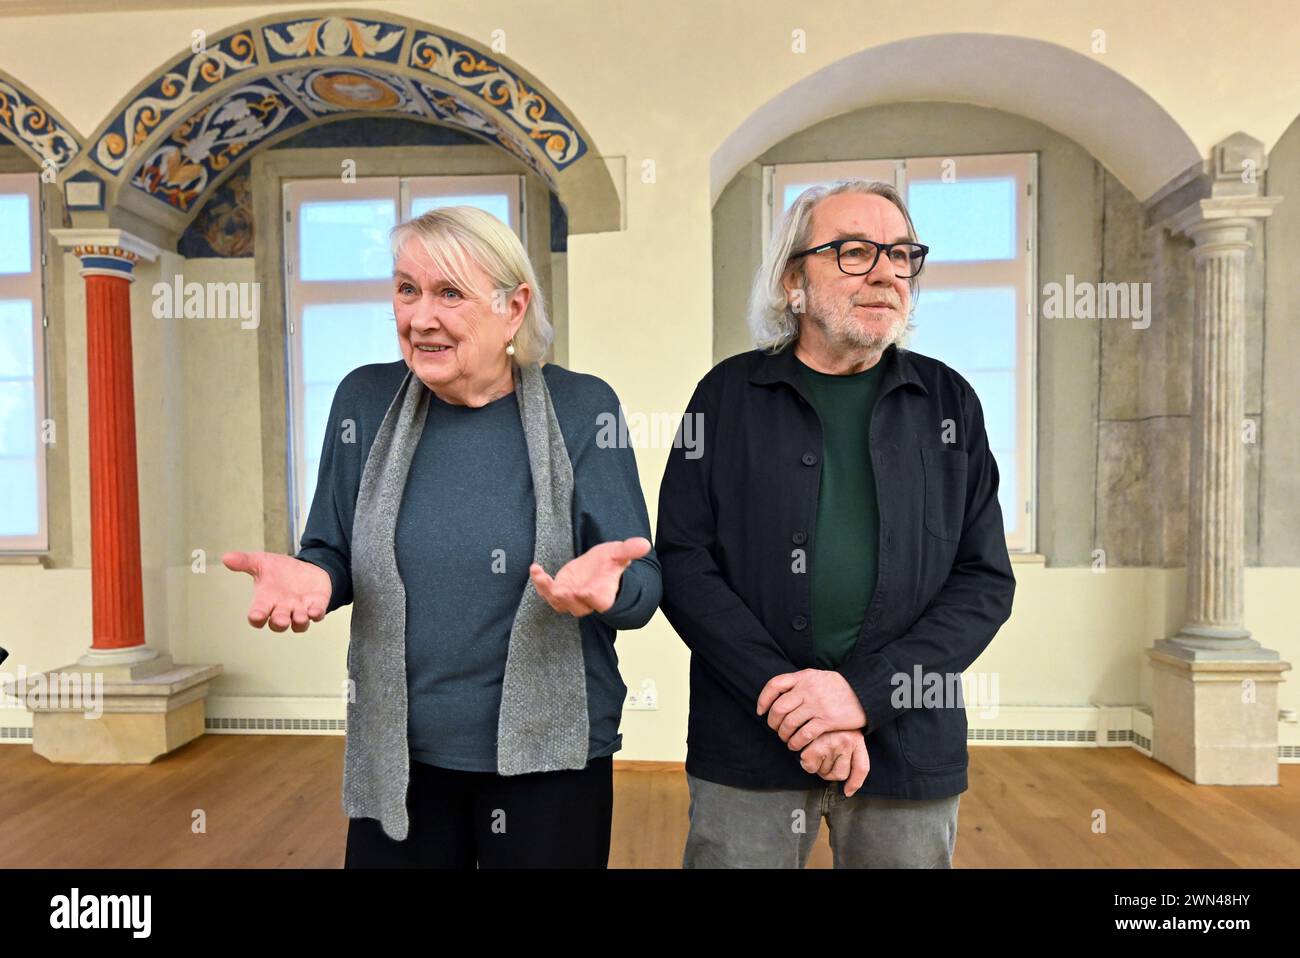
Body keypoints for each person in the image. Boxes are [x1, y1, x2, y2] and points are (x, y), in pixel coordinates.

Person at [223, 205, 661, 868]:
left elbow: (643, 583)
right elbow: (331, 549)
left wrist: (612, 589)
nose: (420, 317)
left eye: (449, 293)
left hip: (549, 760)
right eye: (407, 289)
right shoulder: (364, 400)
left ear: (513, 308)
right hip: (399, 758)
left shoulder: (581, 408)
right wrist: (316, 576)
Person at [656, 178, 1015, 868]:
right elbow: (682, 560)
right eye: (854, 251)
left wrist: (860, 695)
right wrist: (786, 699)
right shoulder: (725, 396)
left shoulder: (950, 401)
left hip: (908, 742)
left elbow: (983, 582)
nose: (886, 272)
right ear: (794, 279)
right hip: (748, 740)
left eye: (902, 254)